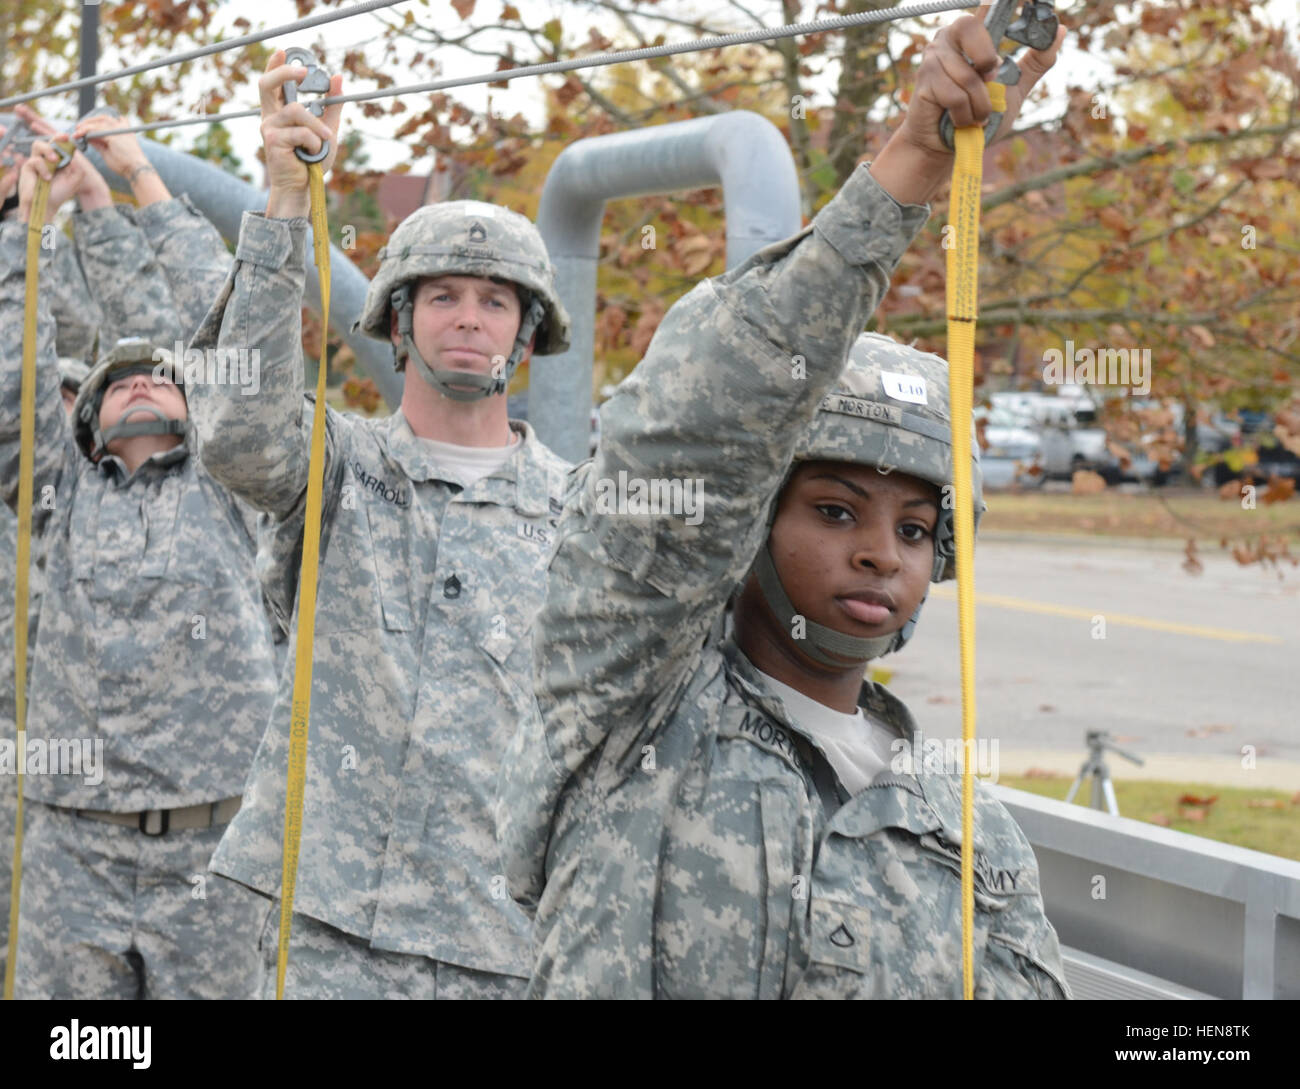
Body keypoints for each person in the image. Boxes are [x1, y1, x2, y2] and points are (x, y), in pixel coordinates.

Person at [496, 12, 1072, 998]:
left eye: (916, 530)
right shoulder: (630, 712)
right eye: (836, 511)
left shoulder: (970, 837)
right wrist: (906, 166)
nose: (880, 556)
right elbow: (698, 422)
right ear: (747, 521)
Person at [187, 51, 572, 999]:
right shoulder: (340, 467)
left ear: (525, 335)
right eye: (442, 295)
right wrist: (284, 202)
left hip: (504, 942)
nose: (469, 318)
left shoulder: (578, 511)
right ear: (398, 323)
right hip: (326, 932)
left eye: (494, 300)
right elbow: (238, 432)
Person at [1, 133, 277, 999]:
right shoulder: (57, 495)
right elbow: (15, 365)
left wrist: (138, 185)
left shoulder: (238, 485)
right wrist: (22, 219)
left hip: (214, 848)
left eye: (162, 376)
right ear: (83, 419)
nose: (138, 383)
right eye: (116, 381)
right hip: (72, 846)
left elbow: (233, 328)